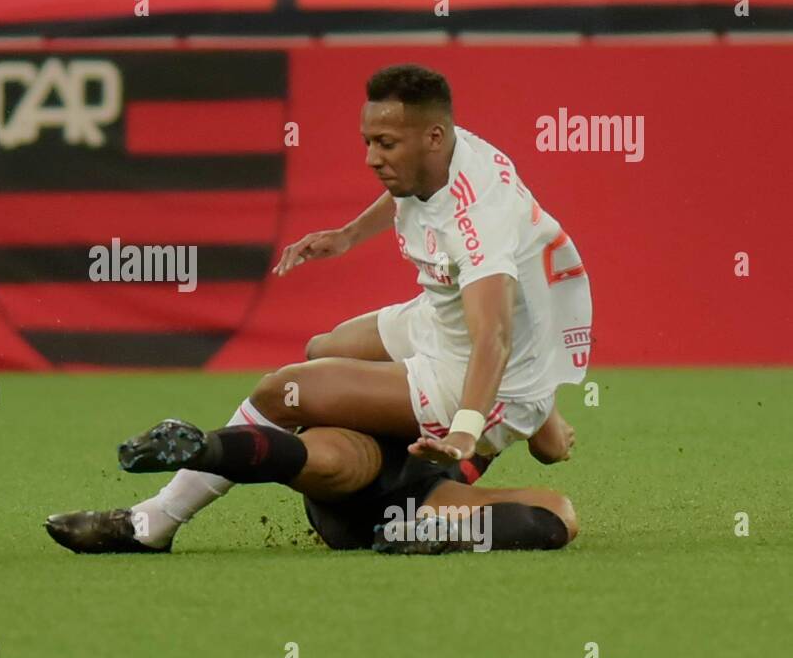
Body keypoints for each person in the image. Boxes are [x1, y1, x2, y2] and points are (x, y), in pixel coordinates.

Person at [45, 64, 592, 553]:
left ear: (432, 135)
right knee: (323, 349)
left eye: (384, 144)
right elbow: (415, 193)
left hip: (473, 367)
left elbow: (492, 338)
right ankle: (498, 441)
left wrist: (466, 433)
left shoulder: (479, 220)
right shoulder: (450, 152)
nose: (371, 158)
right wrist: (348, 235)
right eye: (369, 140)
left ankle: (156, 519)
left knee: (283, 392)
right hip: (445, 333)